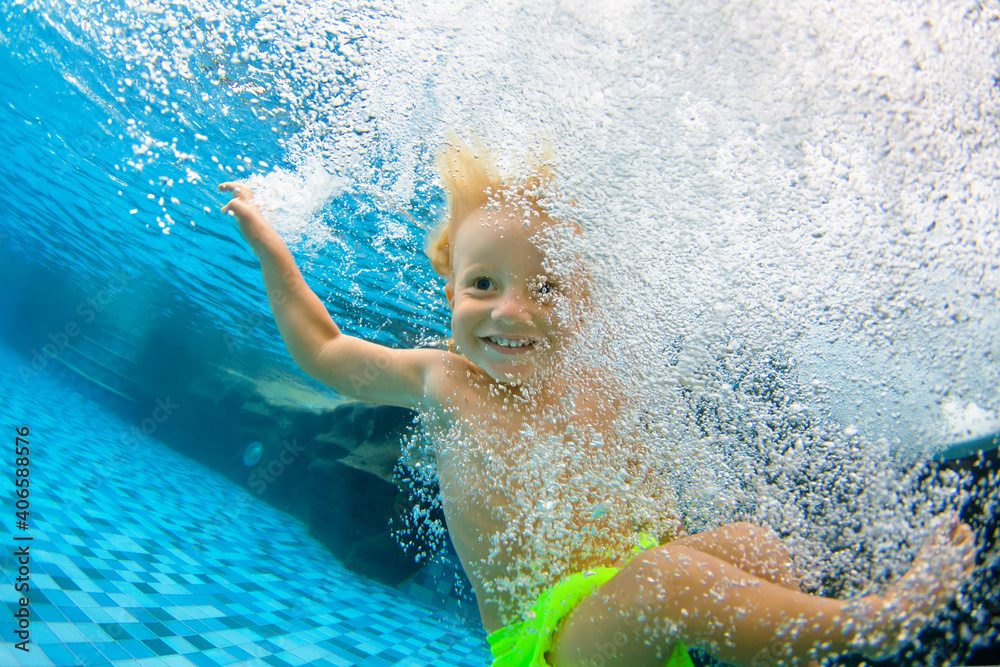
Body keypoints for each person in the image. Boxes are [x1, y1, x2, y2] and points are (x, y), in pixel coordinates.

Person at [219, 140, 975, 667]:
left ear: (583, 300)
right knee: (673, 580)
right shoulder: (440, 380)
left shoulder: (600, 376)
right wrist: (268, 243)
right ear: (451, 289)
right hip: (550, 646)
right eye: (484, 285)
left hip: (636, 610)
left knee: (757, 546)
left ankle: (776, 637)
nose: (510, 310)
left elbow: (653, 513)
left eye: (545, 287)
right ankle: (870, 628)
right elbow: (321, 350)